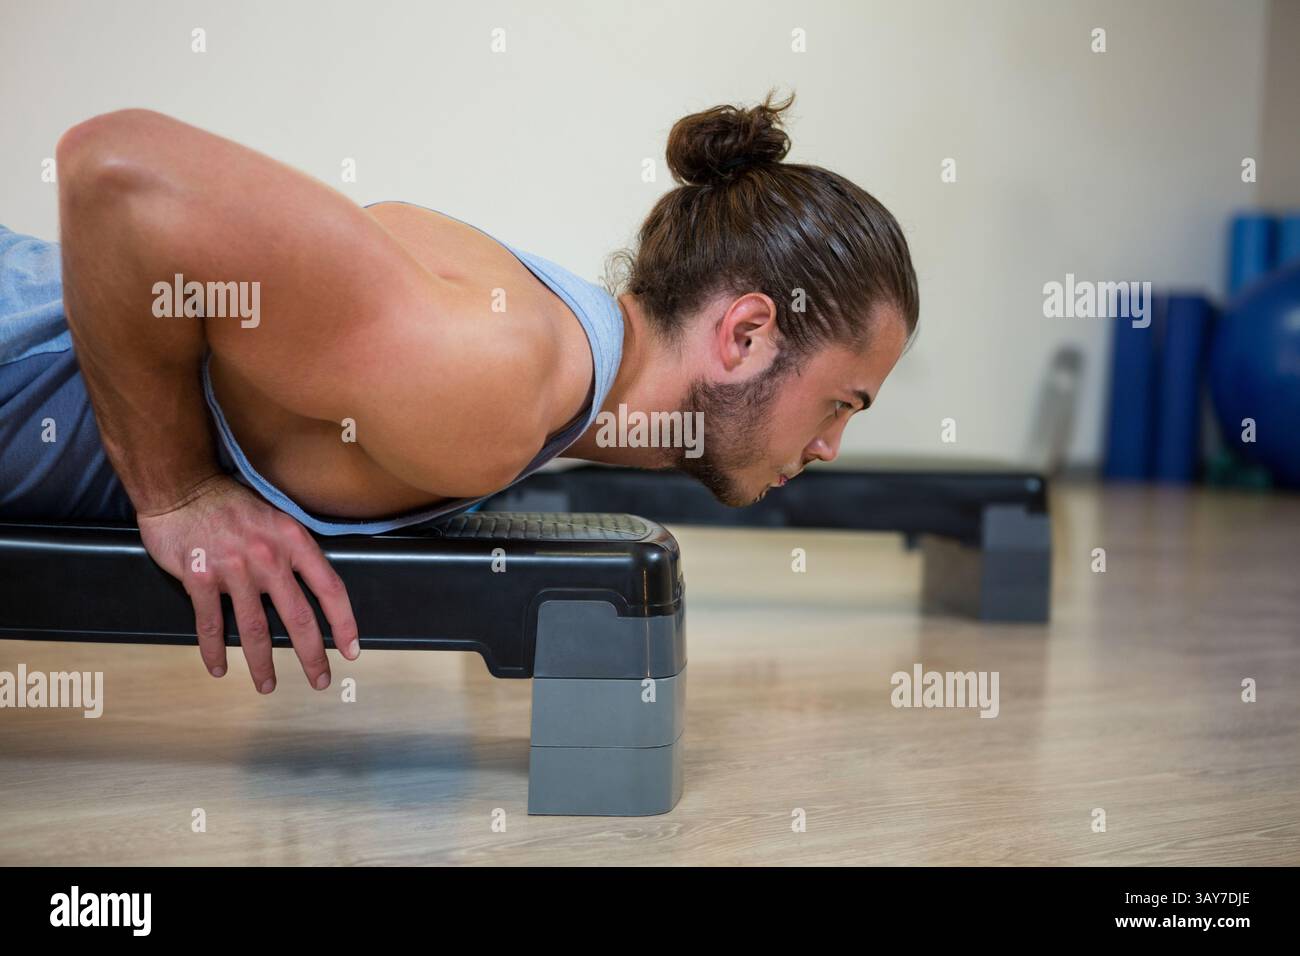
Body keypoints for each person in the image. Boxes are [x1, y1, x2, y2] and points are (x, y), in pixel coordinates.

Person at [0, 91, 918, 693]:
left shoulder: (546, 368)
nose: (832, 445)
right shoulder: (499, 380)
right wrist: (181, 493)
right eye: (842, 401)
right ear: (747, 335)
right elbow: (113, 169)